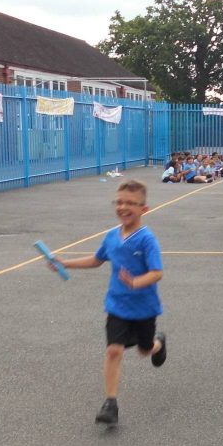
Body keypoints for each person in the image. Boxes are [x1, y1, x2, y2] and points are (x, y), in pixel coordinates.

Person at [49, 180, 167, 426]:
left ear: (143, 209)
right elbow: (96, 259)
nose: (123, 207)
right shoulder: (111, 236)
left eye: (130, 203)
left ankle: (158, 344)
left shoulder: (147, 240)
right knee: (114, 350)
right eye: (119, 202)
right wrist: (66, 263)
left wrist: (135, 282)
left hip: (144, 308)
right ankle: (110, 404)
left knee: (144, 350)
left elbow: (157, 273)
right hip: (117, 306)